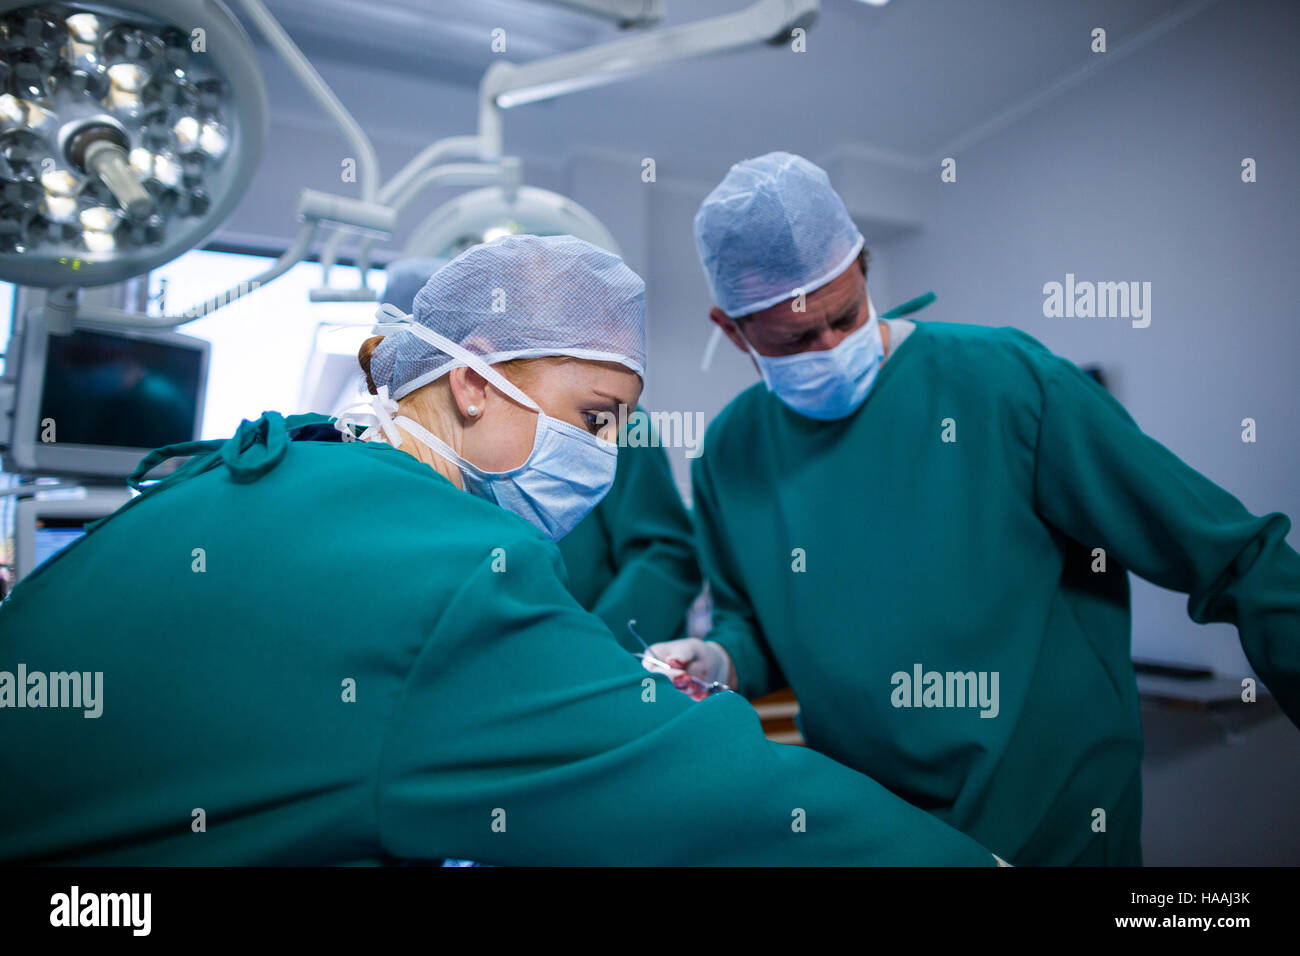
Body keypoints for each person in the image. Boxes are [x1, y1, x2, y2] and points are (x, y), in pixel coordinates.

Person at [0, 234, 1002, 865]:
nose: (608, 456)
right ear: (473, 382)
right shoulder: (448, 566)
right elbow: (712, 785)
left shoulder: (277, 472)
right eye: (595, 416)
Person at [648, 151, 1300, 866]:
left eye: (847, 316)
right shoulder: (732, 452)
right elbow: (760, 627)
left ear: (864, 268)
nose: (831, 347)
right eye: (797, 339)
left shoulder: (1008, 385)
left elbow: (1234, 556)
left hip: (1054, 826)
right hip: (878, 835)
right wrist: (716, 658)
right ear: (732, 328)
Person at [381, 258, 701, 652]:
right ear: (473, 381)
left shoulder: (619, 430)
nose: (607, 440)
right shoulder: (408, 472)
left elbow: (665, 556)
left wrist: (590, 649)